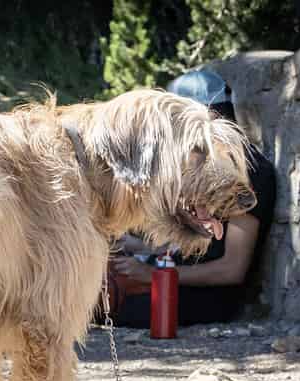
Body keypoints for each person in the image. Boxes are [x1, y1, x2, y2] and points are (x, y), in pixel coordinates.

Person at [107, 69, 276, 328]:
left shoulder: (249, 172)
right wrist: (140, 248)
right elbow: (200, 245)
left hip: (202, 297)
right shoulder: (203, 165)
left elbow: (232, 268)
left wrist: (153, 274)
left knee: (93, 302)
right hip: (172, 280)